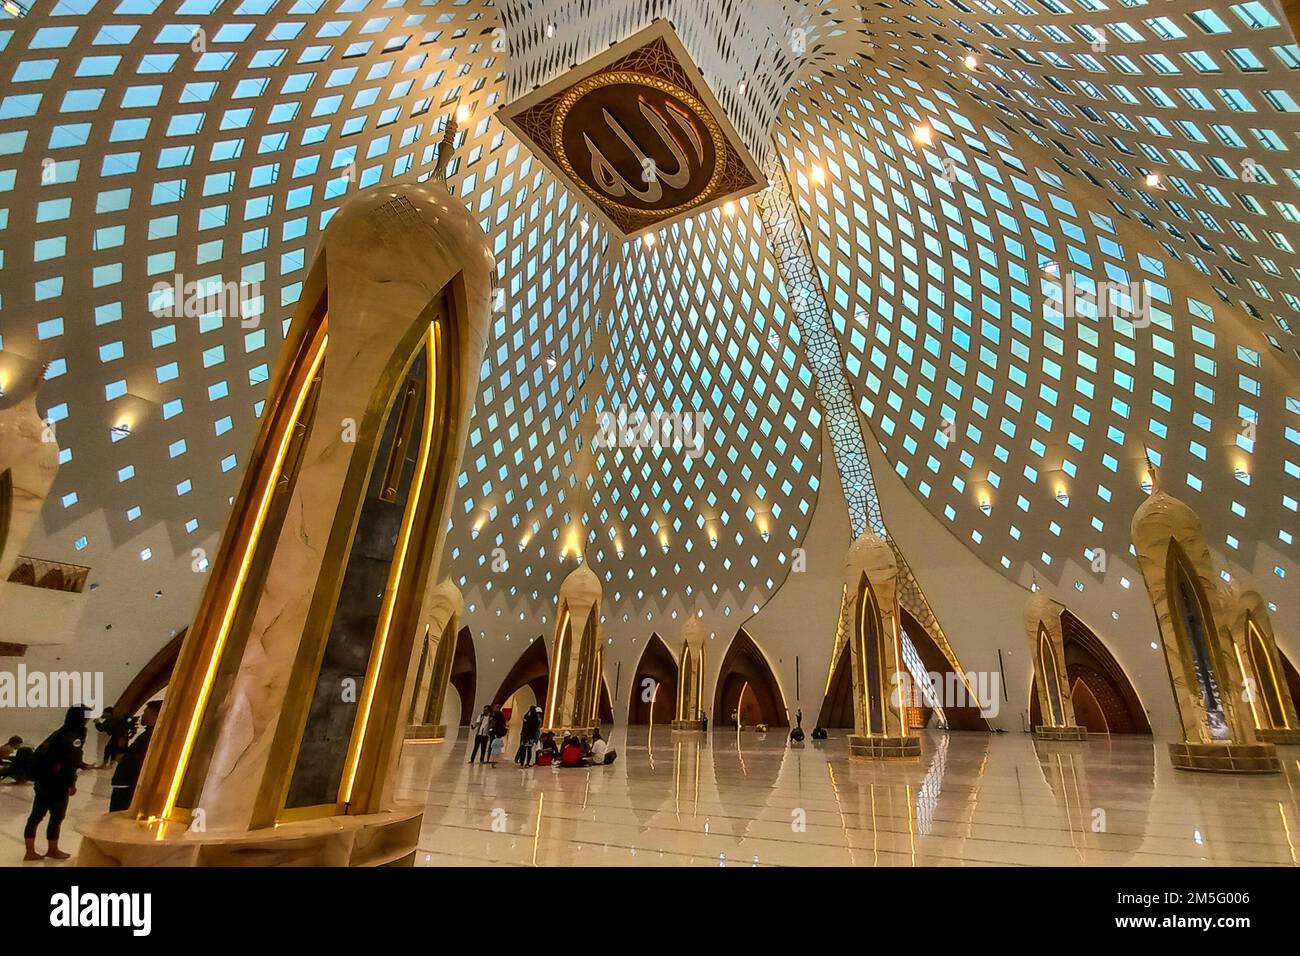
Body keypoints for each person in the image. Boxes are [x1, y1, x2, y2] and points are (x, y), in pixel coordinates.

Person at [24, 706, 87, 861]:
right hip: (57, 784)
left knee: (35, 816)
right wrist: (71, 783)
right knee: (56, 817)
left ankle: (30, 851)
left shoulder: (58, 733)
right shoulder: (74, 736)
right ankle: (53, 850)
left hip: (43, 781)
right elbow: (71, 762)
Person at [109, 701, 160, 812]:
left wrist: (123, 757)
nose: (142, 716)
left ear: (155, 716)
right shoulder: (148, 734)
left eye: (146, 713)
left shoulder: (150, 737)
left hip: (129, 785)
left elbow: (139, 760)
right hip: (128, 784)